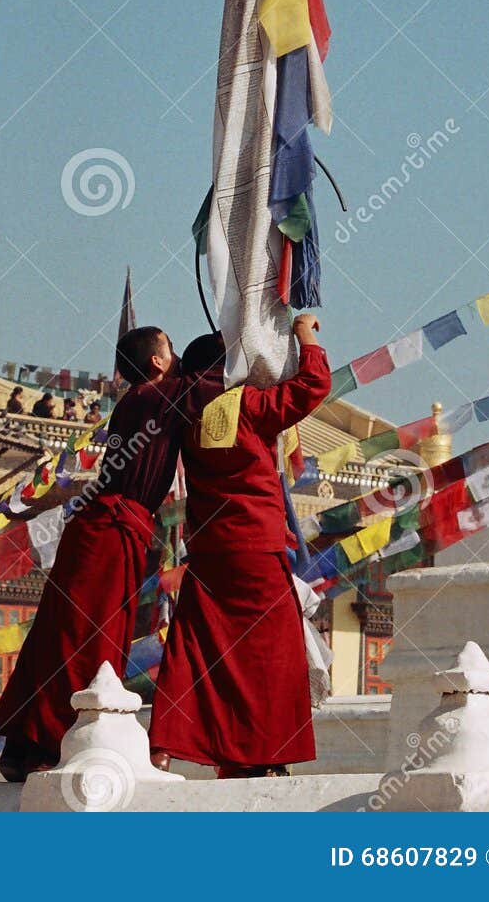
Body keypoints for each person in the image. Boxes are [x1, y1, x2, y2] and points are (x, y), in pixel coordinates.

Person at [0, 326, 224, 782]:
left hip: (110, 530)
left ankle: (32, 744)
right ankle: (42, 743)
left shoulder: (143, 402)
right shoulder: (152, 399)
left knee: (75, 633)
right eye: (170, 349)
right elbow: (212, 387)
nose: (175, 357)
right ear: (157, 363)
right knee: (83, 638)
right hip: (109, 531)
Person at [148, 312, 330, 778]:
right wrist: (304, 335)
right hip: (256, 546)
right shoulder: (246, 405)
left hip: (209, 551)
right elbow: (312, 386)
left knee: (197, 648)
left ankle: (172, 745)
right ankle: (264, 754)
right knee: (273, 654)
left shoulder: (184, 413)